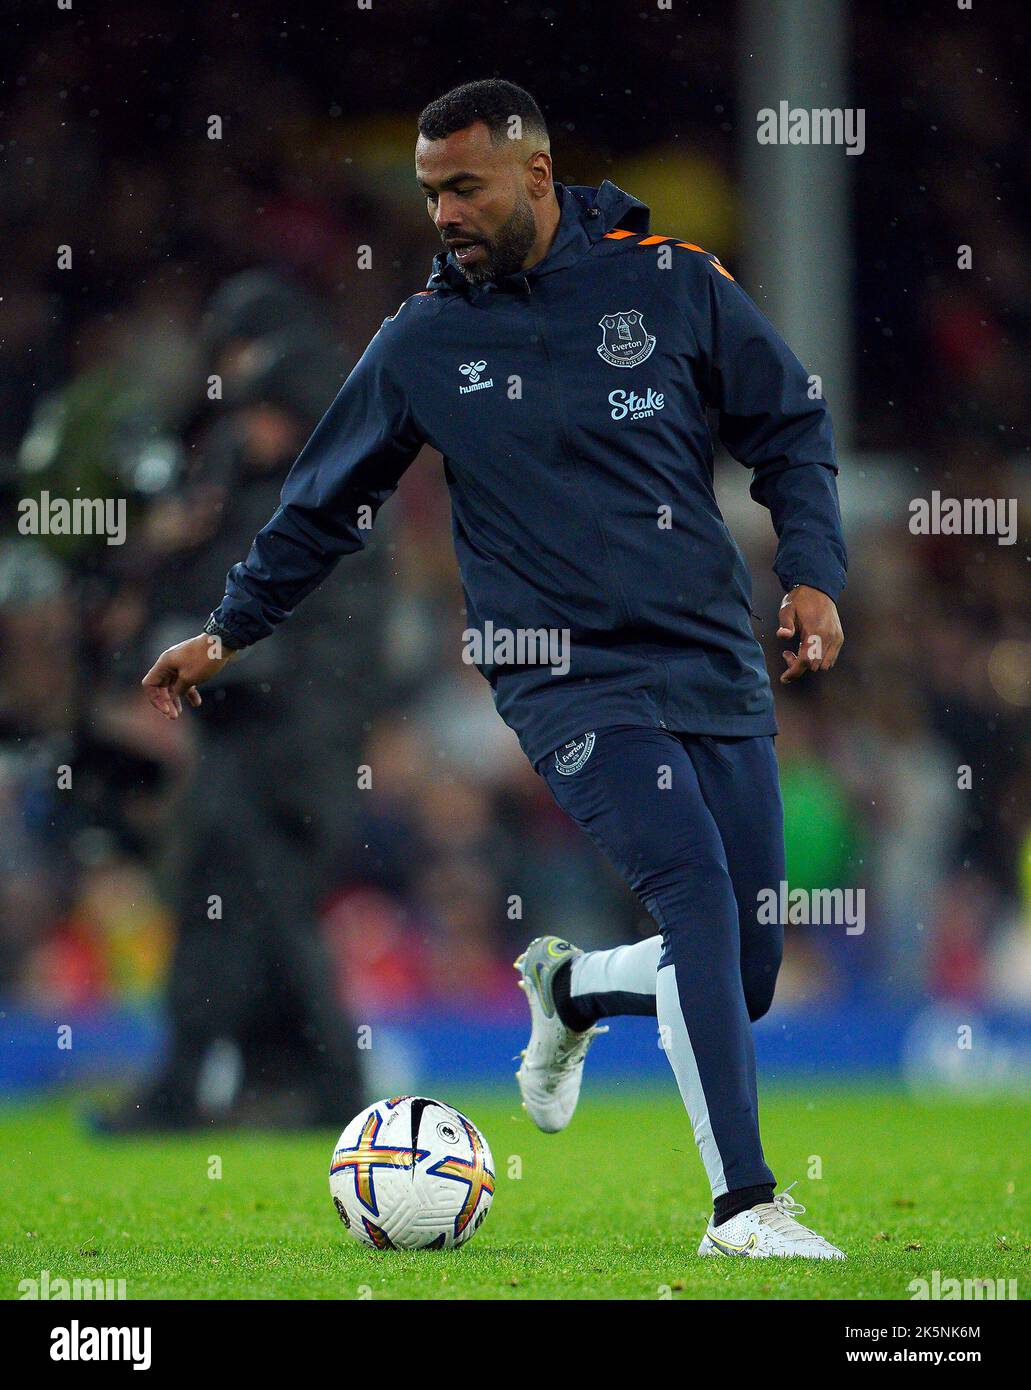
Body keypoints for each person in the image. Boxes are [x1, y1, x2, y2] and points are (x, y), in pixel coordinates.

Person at [142, 79, 847, 1257]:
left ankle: (568, 994)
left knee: (744, 968)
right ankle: (743, 1207)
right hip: (562, 673)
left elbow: (788, 426)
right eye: (427, 194)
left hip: (711, 651)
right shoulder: (422, 339)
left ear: (533, 172)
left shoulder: (670, 279)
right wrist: (230, 626)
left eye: (463, 186)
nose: (443, 214)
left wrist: (813, 572)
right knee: (693, 895)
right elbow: (322, 504)